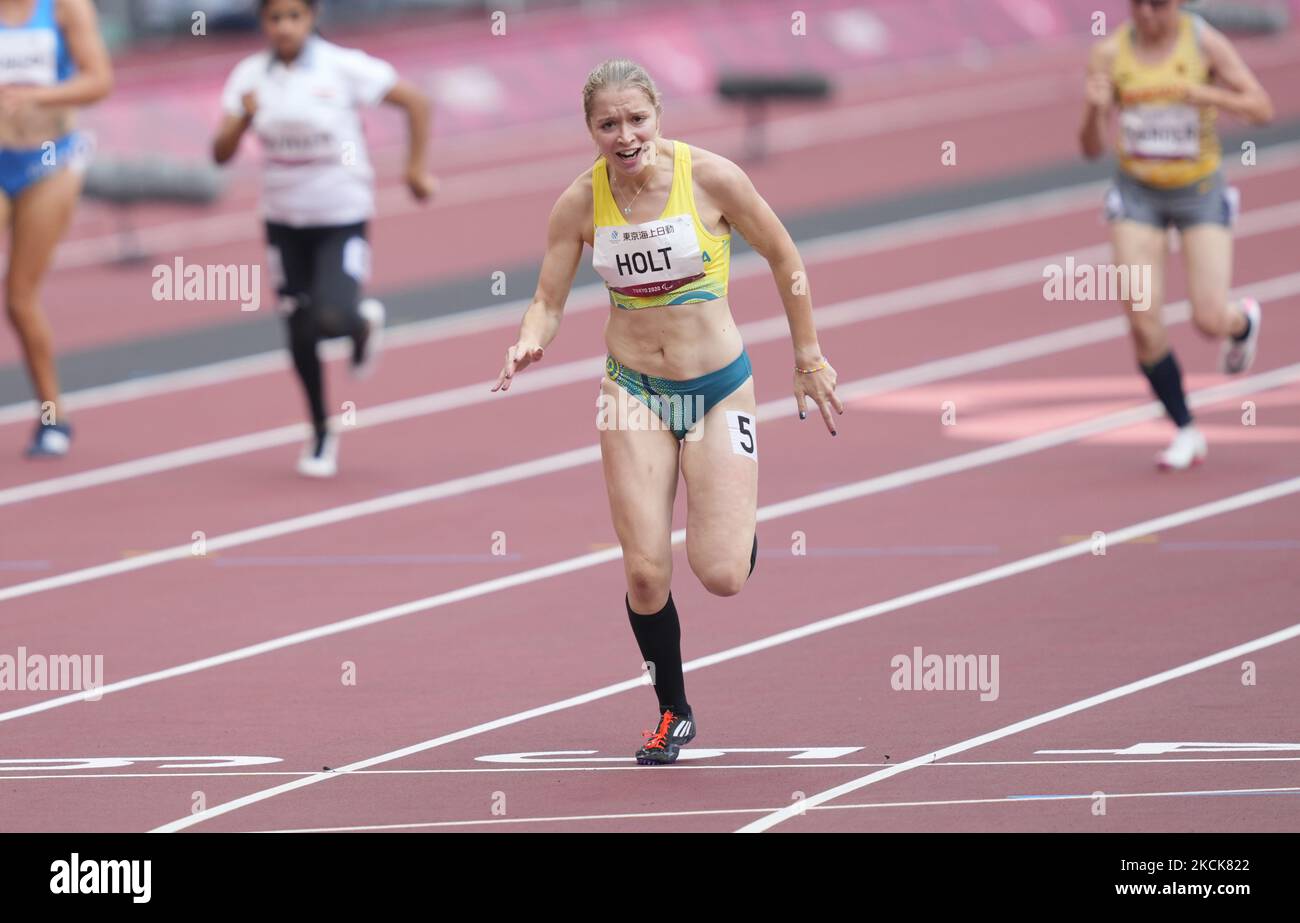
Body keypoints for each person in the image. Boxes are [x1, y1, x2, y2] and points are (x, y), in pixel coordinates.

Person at [492, 59, 841, 765]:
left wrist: (807, 355)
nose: (625, 136)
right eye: (608, 124)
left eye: (636, 119)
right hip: (633, 393)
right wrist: (530, 338)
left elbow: (784, 256)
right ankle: (673, 709)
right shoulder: (579, 204)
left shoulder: (711, 178)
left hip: (716, 387)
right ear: (590, 129)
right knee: (646, 570)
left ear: (658, 115)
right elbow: (548, 299)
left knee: (720, 574)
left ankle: (735, 526)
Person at [213, 0, 435, 477]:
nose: (285, 26)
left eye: (294, 16)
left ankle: (359, 325)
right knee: (297, 329)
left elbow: (416, 101)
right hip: (283, 220)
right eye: (275, 18)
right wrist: (241, 119)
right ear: (263, 23)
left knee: (330, 315)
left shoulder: (344, 66)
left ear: (311, 17)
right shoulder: (249, 76)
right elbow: (219, 153)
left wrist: (414, 170)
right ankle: (320, 433)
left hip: (340, 214)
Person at [1081, 0, 1273, 470]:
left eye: (1160, 5)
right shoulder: (1109, 55)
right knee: (1143, 325)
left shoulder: (1203, 42)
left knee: (1208, 320)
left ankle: (1241, 322)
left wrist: (1210, 96)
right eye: (1138, 5)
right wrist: (1094, 108)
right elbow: (1089, 149)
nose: (1148, 15)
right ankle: (1186, 428)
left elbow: (1262, 108)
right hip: (1136, 196)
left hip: (1199, 191)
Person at [0, 0, 112, 457]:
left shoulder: (65, 6)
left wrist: (37, 96)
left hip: (47, 163)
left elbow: (99, 79)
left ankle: (52, 416)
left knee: (20, 299)